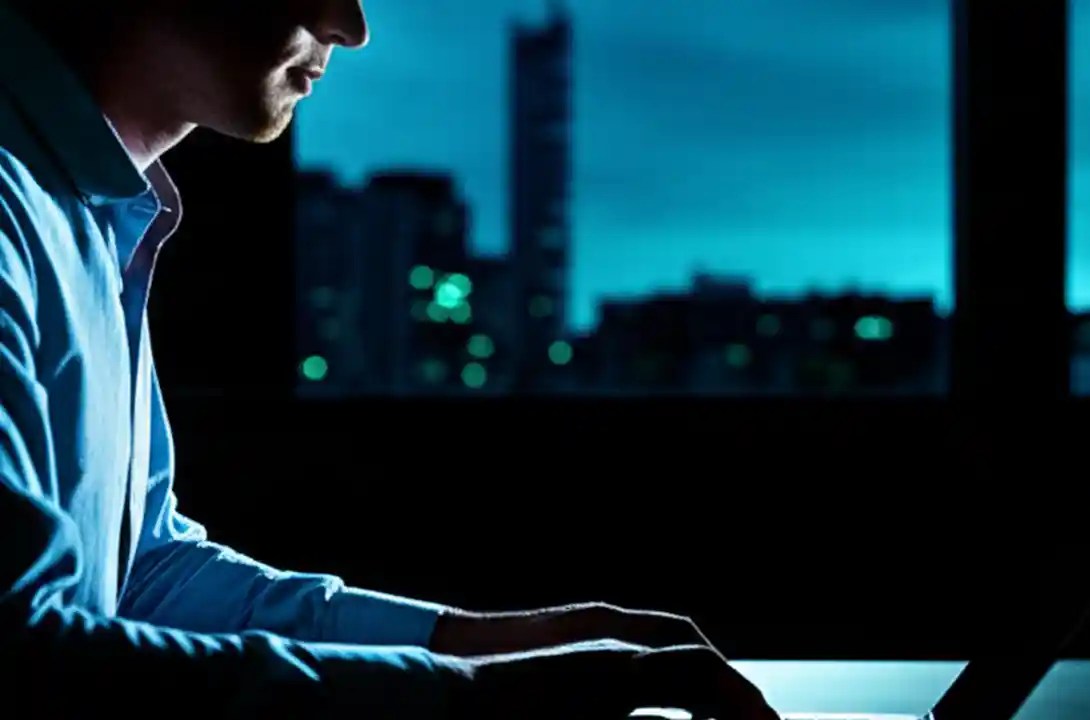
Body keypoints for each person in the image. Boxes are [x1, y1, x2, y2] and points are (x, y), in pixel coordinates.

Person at [0, 1, 782, 717]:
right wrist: (480, 695)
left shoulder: (89, 212)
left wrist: (473, 645)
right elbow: (25, 652)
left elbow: (142, 576)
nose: (349, 23)